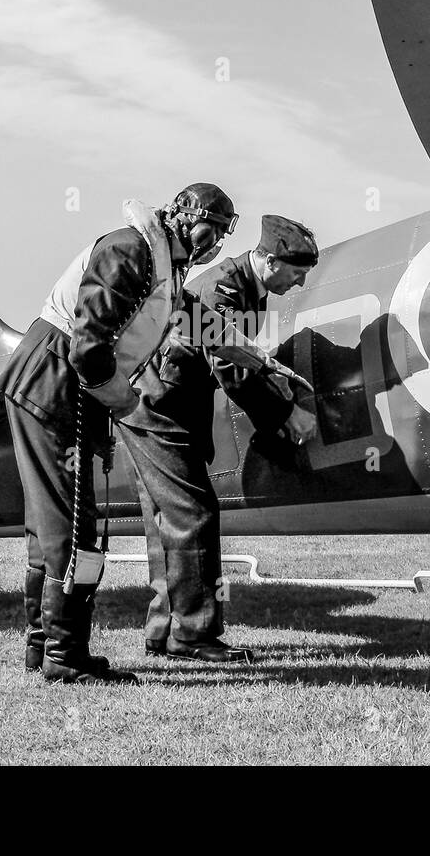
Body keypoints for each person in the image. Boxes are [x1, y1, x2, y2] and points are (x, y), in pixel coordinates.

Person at [0, 183, 238, 684]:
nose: (213, 243)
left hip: (69, 390)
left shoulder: (164, 270)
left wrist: (256, 358)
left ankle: (44, 647)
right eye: (209, 228)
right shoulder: (129, 250)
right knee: (71, 526)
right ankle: (65, 654)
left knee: (53, 524)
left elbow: (198, 319)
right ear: (184, 216)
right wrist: (125, 402)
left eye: (220, 235)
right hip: (53, 383)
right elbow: (87, 348)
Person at [119, 214, 320, 663]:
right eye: (296, 271)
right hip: (162, 408)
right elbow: (228, 361)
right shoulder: (227, 286)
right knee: (195, 514)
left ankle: (165, 630)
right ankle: (193, 636)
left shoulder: (246, 287)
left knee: (166, 523)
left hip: (152, 406)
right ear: (268, 260)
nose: (300, 282)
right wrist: (285, 413)